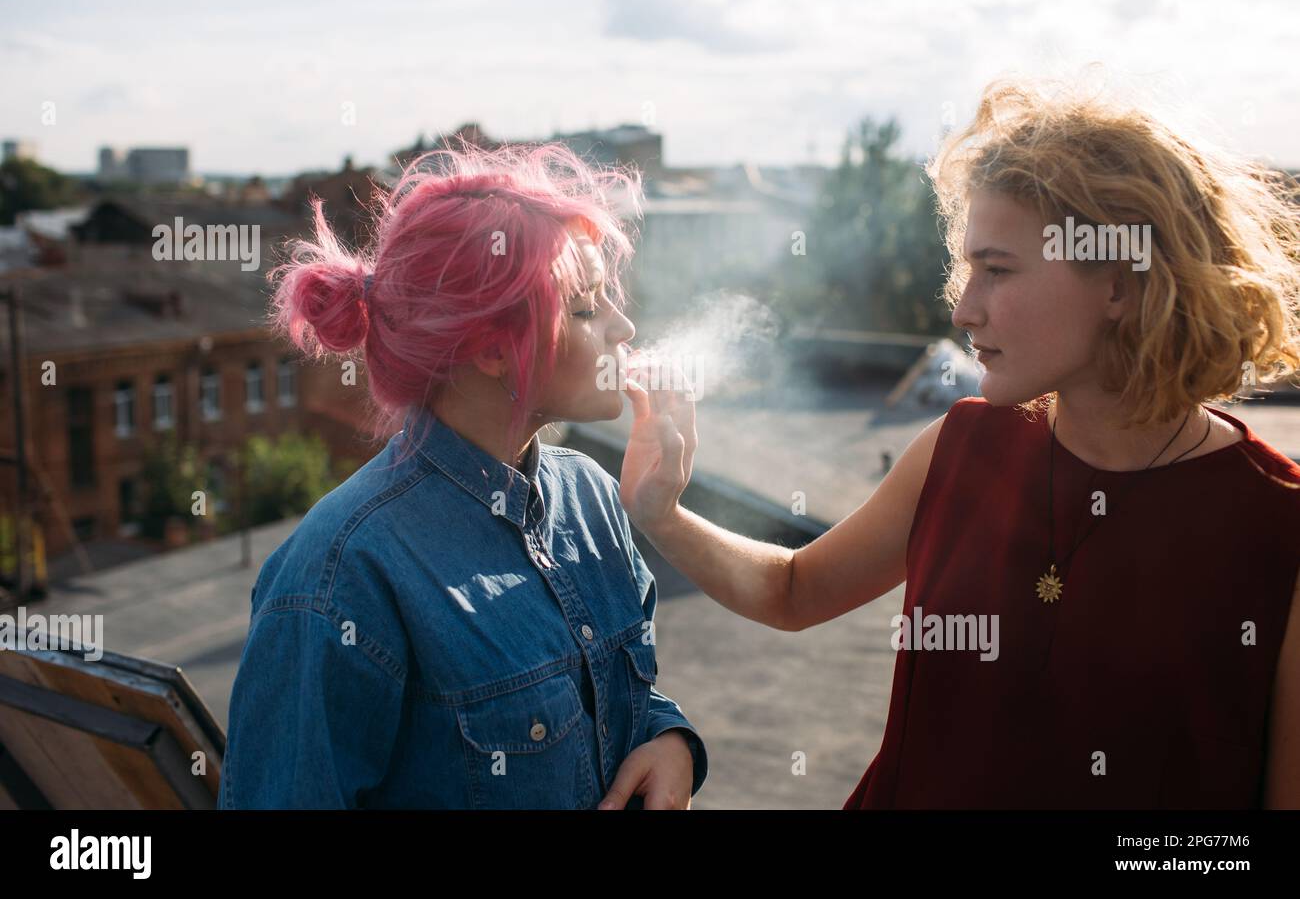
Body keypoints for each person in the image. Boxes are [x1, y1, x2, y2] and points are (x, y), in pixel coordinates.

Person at [617, 76, 1300, 808]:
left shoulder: (1276, 528)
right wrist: (663, 514)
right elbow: (793, 589)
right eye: (968, 266)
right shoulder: (959, 446)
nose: (964, 306)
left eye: (997, 270)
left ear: (1120, 283)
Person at [219, 142, 706, 809]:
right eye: (587, 308)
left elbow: (624, 694)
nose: (623, 326)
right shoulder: (340, 576)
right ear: (488, 350)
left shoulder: (592, 493)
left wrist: (671, 740)